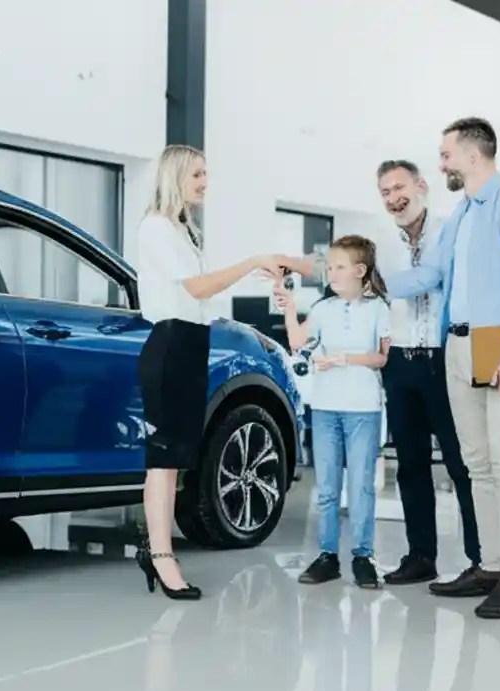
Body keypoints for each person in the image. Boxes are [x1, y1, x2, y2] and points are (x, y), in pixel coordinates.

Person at [377, 117, 500, 619]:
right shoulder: (461, 215)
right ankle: (491, 565)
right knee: (476, 464)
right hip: (457, 343)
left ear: (473, 155)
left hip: (499, 341)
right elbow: (433, 275)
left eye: (446, 155)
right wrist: (370, 283)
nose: (441, 163)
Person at [133, 144, 292, 600]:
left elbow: (198, 299)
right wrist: (249, 262)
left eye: (206, 173)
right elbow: (197, 287)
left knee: (177, 457)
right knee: (162, 461)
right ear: (176, 176)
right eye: (198, 174)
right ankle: (162, 557)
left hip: (190, 345)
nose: (205, 182)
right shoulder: (157, 228)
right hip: (169, 346)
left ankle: (159, 551)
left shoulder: (185, 231)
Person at [368, 160, 483, 588]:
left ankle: (480, 558)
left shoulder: (449, 230)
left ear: (421, 186)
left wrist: (382, 283)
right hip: (400, 361)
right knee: (410, 464)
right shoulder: (380, 241)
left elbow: (431, 279)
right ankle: (420, 556)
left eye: (398, 187)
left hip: (442, 358)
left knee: (460, 462)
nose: (393, 198)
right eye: (384, 192)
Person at [274, 235, 391, 589]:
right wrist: (289, 308)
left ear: (360, 270)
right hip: (325, 407)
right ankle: (327, 556)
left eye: (339, 267)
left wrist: (343, 358)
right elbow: (298, 343)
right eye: (329, 267)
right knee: (326, 488)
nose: (331, 273)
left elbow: (382, 357)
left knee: (360, 486)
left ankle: (363, 555)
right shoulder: (323, 309)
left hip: (362, 410)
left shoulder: (378, 309)